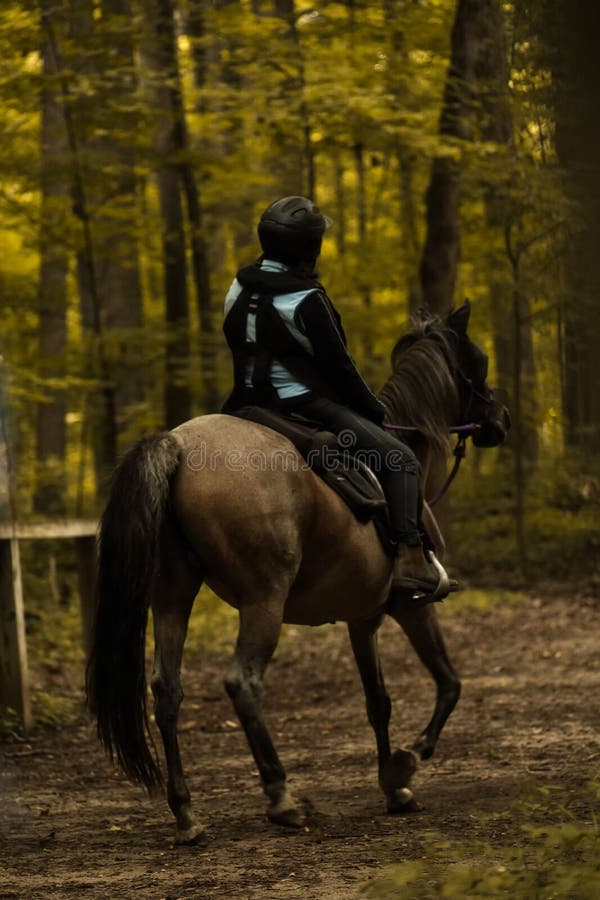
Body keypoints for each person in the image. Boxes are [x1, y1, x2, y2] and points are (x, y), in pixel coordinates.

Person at [222, 195, 452, 599]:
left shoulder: (238, 287)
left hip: (243, 404)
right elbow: (340, 369)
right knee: (400, 460)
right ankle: (410, 562)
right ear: (311, 248)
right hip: (301, 407)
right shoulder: (308, 300)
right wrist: (373, 410)